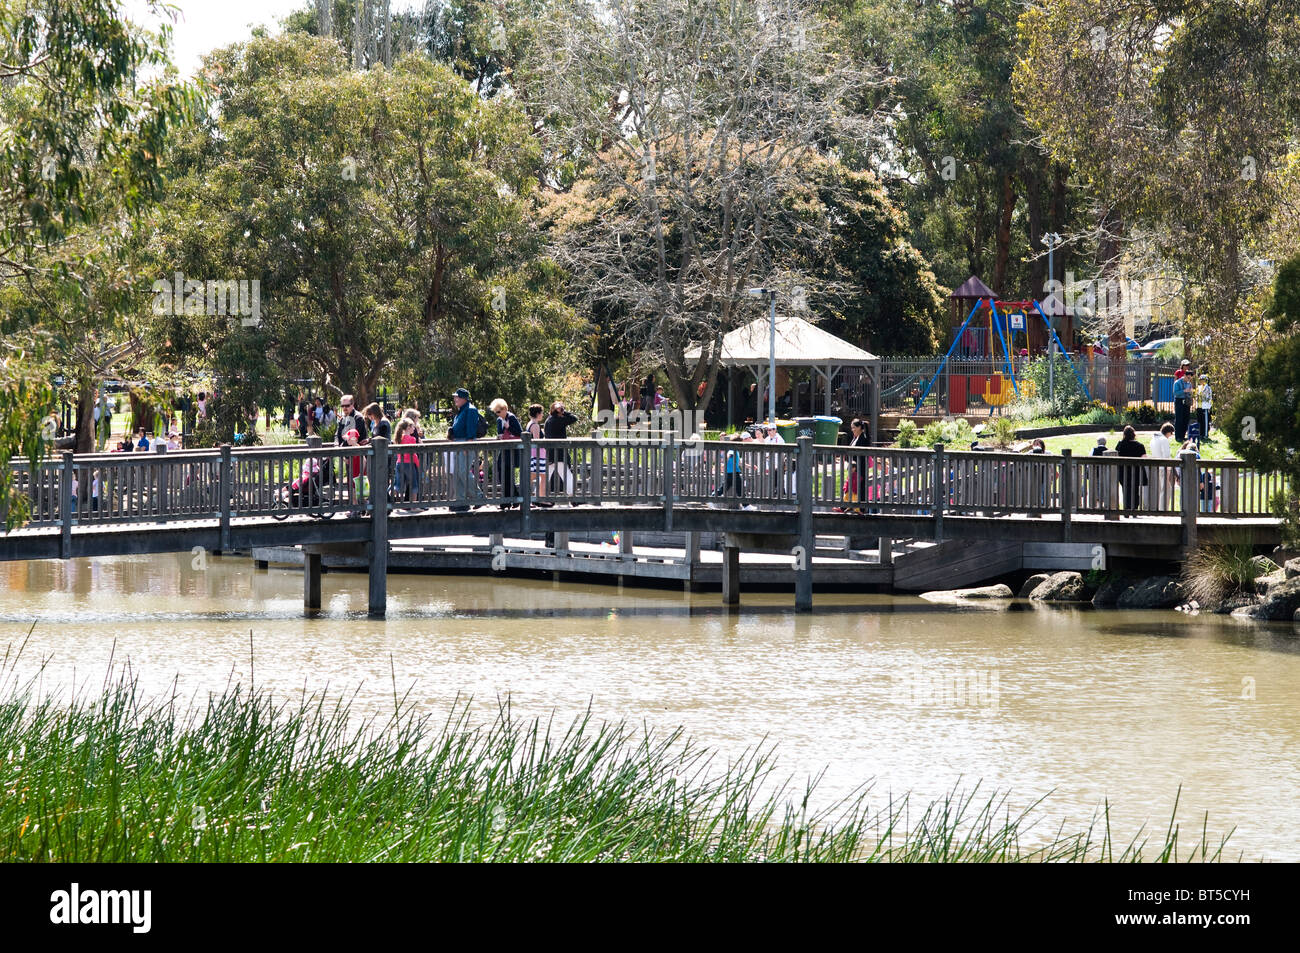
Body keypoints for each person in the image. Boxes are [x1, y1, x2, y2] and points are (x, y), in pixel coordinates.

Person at [448, 387, 484, 511]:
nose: (455, 399)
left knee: (463, 472)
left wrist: (467, 446)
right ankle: (461, 501)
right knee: (458, 473)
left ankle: (479, 497)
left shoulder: (471, 410)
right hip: (459, 443)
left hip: (466, 444)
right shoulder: (461, 410)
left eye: (457, 397)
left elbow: (471, 431)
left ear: (463, 398)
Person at [490, 398, 522, 507]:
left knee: (507, 475)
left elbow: (520, 433)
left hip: (512, 450)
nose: (498, 414)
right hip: (504, 449)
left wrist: (509, 427)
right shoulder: (499, 420)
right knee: (502, 473)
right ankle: (513, 498)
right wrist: (499, 437)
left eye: (499, 412)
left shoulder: (511, 418)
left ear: (504, 409)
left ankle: (507, 501)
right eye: (496, 412)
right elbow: (500, 433)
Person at [544, 401, 579, 501]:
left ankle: (536, 495)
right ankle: (573, 496)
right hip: (559, 453)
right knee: (567, 475)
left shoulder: (549, 420)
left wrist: (559, 410)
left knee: (545, 476)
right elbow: (574, 418)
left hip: (550, 453)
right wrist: (564, 412)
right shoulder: (558, 420)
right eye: (561, 409)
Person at [522, 403, 550, 507]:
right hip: (538, 455)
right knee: (543, 476)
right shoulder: (536, 425)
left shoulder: (529, 424)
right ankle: (540, 499)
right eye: (541, 413)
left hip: (532, 454)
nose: (542, 415)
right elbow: (537, 441)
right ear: (538, 414)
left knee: (531, 477)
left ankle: (528, 500)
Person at [1115, 425, 1146, 512]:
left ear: (1124, 434)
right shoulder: (1140, 446)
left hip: (1123, 471)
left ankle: (1126, 508)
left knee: (1125, 490)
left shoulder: (1120, 445)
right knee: (1135, 490)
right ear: (1134, 434)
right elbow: (1144, 458)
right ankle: (1134, 508)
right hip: (1136, 472)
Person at [392, 418, 419, 504]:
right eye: (413, 427)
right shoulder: (412, 439)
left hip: (399, 463)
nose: (414, 429)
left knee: (397, 485)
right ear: (408, 427)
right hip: (409, 464)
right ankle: (414, 506)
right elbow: (413, 454)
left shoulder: (399, 438)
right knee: (414, 485)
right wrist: (418, 465)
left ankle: (388, 501)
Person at [1151, 422, 1174, 509]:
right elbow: (1166, 455)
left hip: (1156, 466)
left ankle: (1158, 507)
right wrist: (1169, 469)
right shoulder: (1164, 440)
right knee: (1166, 490)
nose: (1170, 436)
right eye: (1171, 433)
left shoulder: (1153, 439)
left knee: (1159, 489)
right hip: (1164, 467)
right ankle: (1164, 508)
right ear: (1168, 432)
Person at [1172, 369, 1192, 442]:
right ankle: (1178, 436)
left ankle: (1183, 436)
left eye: (1190, 378)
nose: (1189, 379)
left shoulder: (1189, 383)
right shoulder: (1177, 383)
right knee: (1179, 419)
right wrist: (1184, 391)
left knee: (1186, 419)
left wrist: (1190, 393)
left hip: (1186, 402)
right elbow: (1175, 393)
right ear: (1184, 375)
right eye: (1188, 377)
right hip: (1179, 401)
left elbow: (1189, 392)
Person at [1196, 373, 1212, 443]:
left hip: (1205, 406)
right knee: (1199, 420)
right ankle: (1200, 434)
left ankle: (1205, 434)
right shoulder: (1198, 387)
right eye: (1200, 380)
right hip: (1199, 406)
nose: (1201, 381)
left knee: (1205, 421)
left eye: (1203, 380)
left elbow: (1209, 397)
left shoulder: (1208, 388)